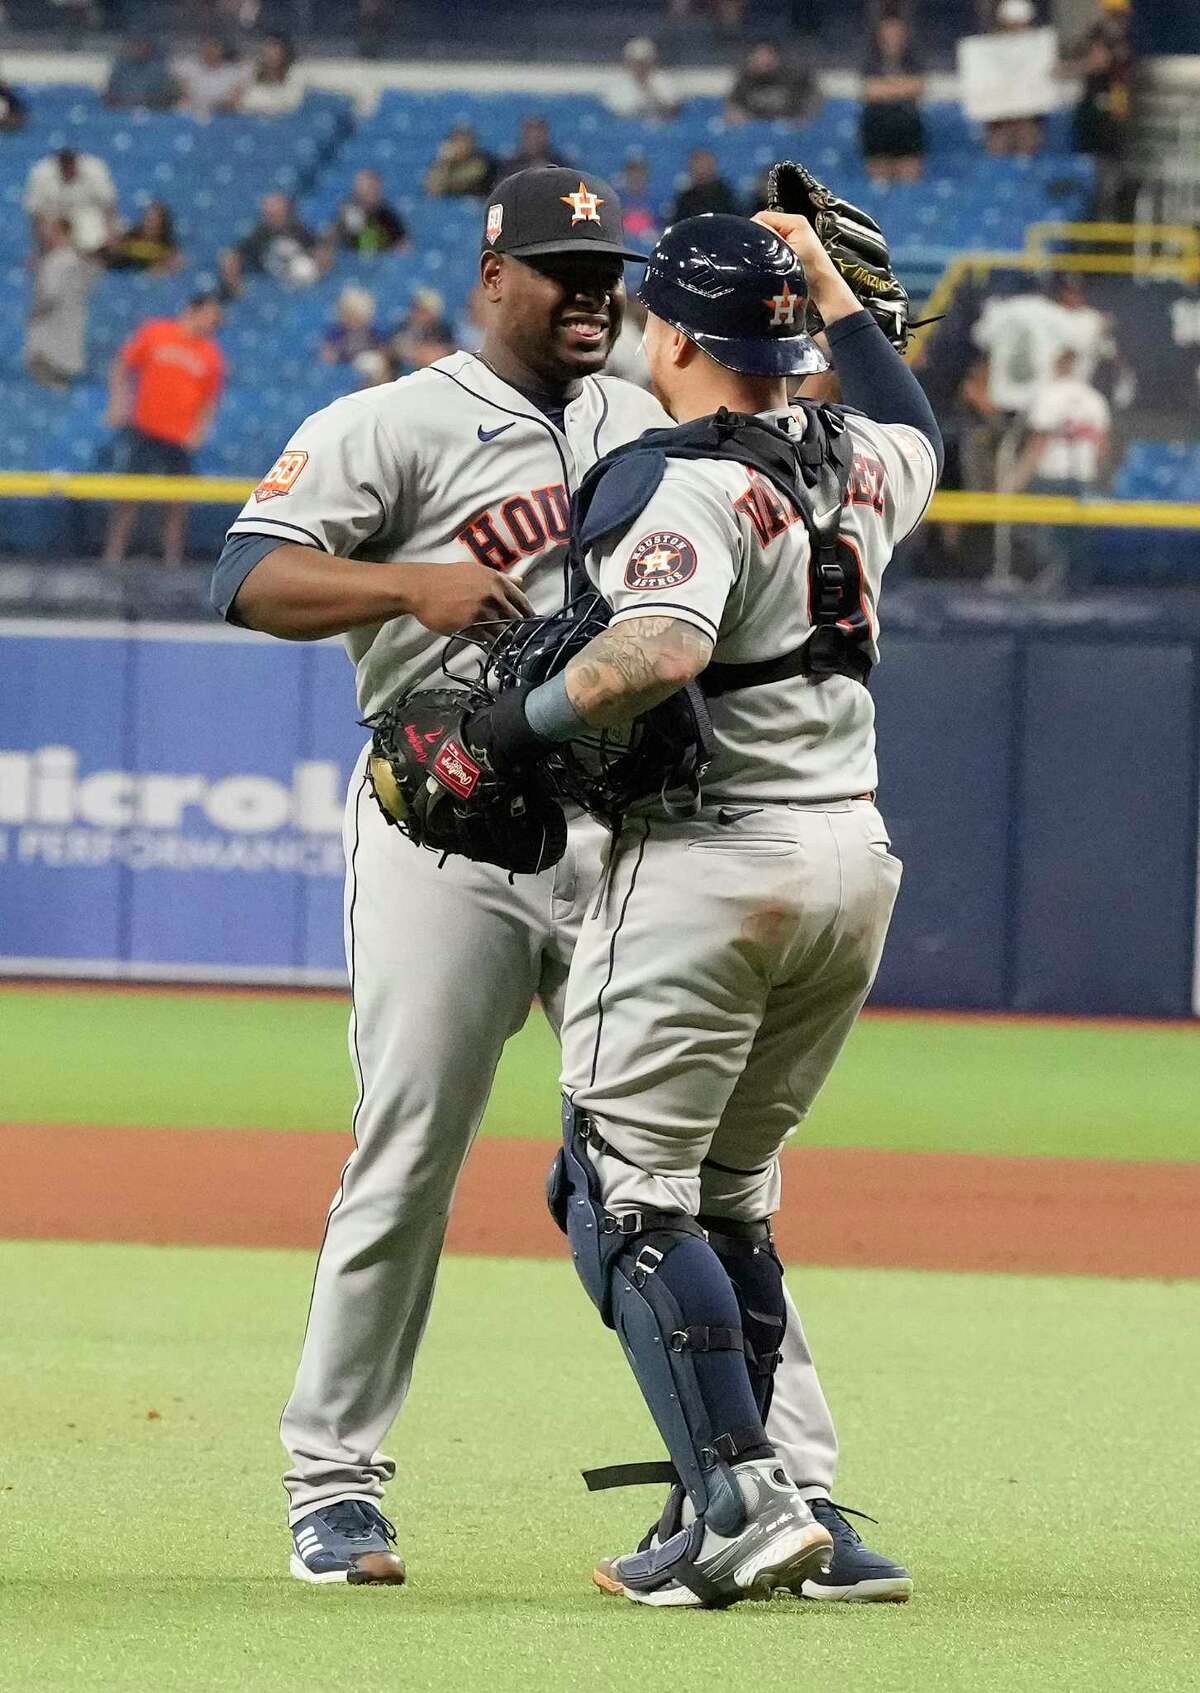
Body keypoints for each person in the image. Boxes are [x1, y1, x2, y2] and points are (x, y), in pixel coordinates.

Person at [208, 165, 910, 1602]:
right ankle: (333, 1485)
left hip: (634, 831)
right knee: (410, 1152)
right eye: (559, 271)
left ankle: (788, 1486)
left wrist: (825, 297)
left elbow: (821, 429)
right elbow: (248, 575)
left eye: (609, 274)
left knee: (701, 1178)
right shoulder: (387, 422)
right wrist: (407, 588)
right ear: (491, 276)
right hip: (448, 833)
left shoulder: (663, 405)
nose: (590, 294)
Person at [448, 208, 938, 1608]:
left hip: (711, 863)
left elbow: (658, 646)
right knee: (729, 1197)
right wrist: (832, 288)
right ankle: (805, 1516)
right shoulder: (866, 457)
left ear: (672, 334)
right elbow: (913, 414)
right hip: (851, 858)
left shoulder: (681, 480)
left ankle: (734, 1503)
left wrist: (508, 728)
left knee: (618, 1195)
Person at [103, 294, 225, 567]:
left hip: (179, 437)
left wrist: (200, 430)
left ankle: (173, 562)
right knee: (128, 497)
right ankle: (112, 558)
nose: (214, 322)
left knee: (176, 503)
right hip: (145, 429)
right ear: (192, 310)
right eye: (210, 315)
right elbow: (122, 366)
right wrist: (118, 402)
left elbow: (210, 399)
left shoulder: (211, 353)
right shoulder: (156, 332)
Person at [1004, 347, 1110, 586]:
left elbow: (1038, 444)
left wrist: (1014, 481)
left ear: (1058, 364)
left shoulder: (1049, 395)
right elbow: (1103, 449)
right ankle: (1074, 589)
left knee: (1043, 540)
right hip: (1082, 478)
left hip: (1049, 478)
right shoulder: (1095, 399)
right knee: (1074, 541)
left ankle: (1047, 588)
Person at [25, 216, 97, 390]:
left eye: (51, 230)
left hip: (55, 323)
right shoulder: (76, 259)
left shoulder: (59, 260)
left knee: (45, 363)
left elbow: (51, 294)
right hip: (69, 320)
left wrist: (38, 312)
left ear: (60, 232)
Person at [860, 7, 925, 183]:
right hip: (877, 127)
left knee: (910, 181)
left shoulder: (914, 61)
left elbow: (917, 87)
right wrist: (900, 88)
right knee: (879, 183)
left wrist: (886, 88)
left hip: (907, 126)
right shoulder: (869, 61)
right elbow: (869, 91)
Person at [219, 192, 323, 296]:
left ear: (287, 212)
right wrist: (236, 286)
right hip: (266, 288)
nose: (273, 217)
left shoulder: (301, 231)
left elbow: (320, 252)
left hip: (301, 284)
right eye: (269, 214)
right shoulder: (257, 237)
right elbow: (232, 258)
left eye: (278, 213)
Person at [24, 146, 118, 256]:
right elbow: (37, 215)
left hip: (87, 215)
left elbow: (108, 206)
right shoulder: (41, 173)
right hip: (53, 217)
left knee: (92, 236)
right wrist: (42, 246)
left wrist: (111, 235)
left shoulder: (95, 169)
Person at [982, 0, 1046, 158]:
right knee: (999, 154)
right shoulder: (988, 51)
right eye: (1012, 25)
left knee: (1027, 149)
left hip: (1029, 118)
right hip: (998, 121)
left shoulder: (1038, 49)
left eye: (1021, 25)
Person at [726, 39, 819, 125]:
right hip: (757, 129)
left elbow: (813, 97)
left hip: (789, 128)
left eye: (765, 56)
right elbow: (734, 103)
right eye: (757, 57)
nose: (761, 61)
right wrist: (736, 114)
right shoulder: (746, 78)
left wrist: (804, 115)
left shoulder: (794, 76)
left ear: (775, 57)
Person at [330, 169, 408, 255]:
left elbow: (402, 243)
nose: (372, 192)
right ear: (358, 189)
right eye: (368, 188)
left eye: (375, 188)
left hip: (383, 259)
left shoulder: (387, 214)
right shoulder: (348, 211)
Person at [321, 285, 387, 383]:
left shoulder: (374, 332)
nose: (351, 319)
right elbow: (328, 355)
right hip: (344, 369)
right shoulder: (336, 332)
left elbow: (383, 352)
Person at [605, 37, 679, 122]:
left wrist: (649, 90)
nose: (640, 67)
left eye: (644, 62)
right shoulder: (617, 85)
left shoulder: (665, 81)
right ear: (628, 62)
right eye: (636, 62)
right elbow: (616, 114)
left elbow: (671, 111)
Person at [173, 36, 248, 118]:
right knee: (181, 109)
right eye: (208, 49)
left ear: (221, 52)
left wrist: (217, 106)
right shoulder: (190, 68)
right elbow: (184, 92)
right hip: (194, 110)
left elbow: (236, 99)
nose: (211, 53)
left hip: (222, 112)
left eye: (214, 49)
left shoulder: (232, 73)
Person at [386, 286, 456, 373]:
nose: (417, 313)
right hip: (403, 366)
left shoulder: (443, 330)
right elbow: (393, 347)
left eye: (423, 311)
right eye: (416, 308)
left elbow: (447, 352)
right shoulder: (404, 325)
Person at [104, 200, 182, 274]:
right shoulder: (130, 238)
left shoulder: (168, 248)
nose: (150, 223)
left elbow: (176, 266)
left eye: (155, 220)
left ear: (163, 224)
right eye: (148, 219)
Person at [425, 124, 498, 199]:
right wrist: (444, 162)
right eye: (456, 142)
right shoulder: (450, 164)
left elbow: (463, 182)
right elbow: (432, 189)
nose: (460, 147)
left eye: (464, 142)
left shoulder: (481, 162)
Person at [104, 37, 178, 111]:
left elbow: (164, 96)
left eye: (141, 45)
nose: (138, 49)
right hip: (121, 113)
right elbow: (111, 92)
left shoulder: (158, 70)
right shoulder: (121, 68)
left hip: (152, 113)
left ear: (149, 47)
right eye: (135, 45)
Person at [240, 32, 303, 116]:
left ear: (285, 52)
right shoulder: (254, 72)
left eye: (276, 50)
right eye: (269, 50)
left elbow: (292, 104)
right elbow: (242, 102)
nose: (272, 54)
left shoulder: (296, 73)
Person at [669, 148, 740, 222]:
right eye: (698, 166)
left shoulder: (727, 197)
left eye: (706, 165)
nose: (702, 170)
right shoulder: (685, 200)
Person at [499, 114, 566, 177]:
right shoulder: (509, 166)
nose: (534, 137)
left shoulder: (561, 164)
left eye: (539, 134)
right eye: (529, 134)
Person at [617, 154, 661, 249]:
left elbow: (661, 229)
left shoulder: (656, 202)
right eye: (632, 175)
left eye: (640, 175)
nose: (636, 179)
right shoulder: (616, 200)